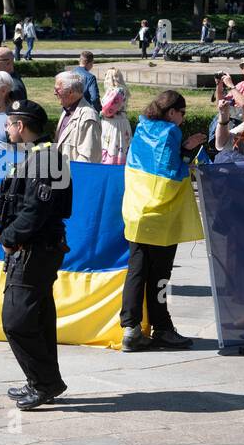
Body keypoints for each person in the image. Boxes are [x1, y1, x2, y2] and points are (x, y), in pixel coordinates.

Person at [0, 99, 72, 409]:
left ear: (20, 126)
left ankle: (45, 382)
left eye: (9, 123)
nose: (7, 128)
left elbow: (34, 211)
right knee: (36, 317)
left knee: (17, 320)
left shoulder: (45, 161)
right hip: (34, 249)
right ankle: (42, 381)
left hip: (34, 250)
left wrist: (9, 239)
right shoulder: (36, 157)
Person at [119, 90, 206, 351]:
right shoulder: (171, 132)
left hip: (137, 211)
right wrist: (189, 157)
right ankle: (163, 328)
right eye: (182, 113)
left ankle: (130, 329)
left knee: (136, 272)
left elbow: (155, 161)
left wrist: (184, 148)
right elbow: (171, 175)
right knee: (159, 276)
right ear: (172, 113)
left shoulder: (144, 126)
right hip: (161, 216)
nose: (183, 118)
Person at [52, 70, 102, 163]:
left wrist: (69, 176)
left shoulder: (88, 117)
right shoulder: (67, 110)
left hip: (73, 176)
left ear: (70, 92)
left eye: (57, 89)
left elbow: (88, 158)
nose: (55, 93)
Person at [99, 68, 132, 165]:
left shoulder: (117, 91)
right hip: (121, 121)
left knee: (113, 145)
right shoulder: (122, 90)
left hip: (114, 124)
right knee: (119, 145)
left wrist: (101, 114)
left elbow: (108, 110)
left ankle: (112, 167)